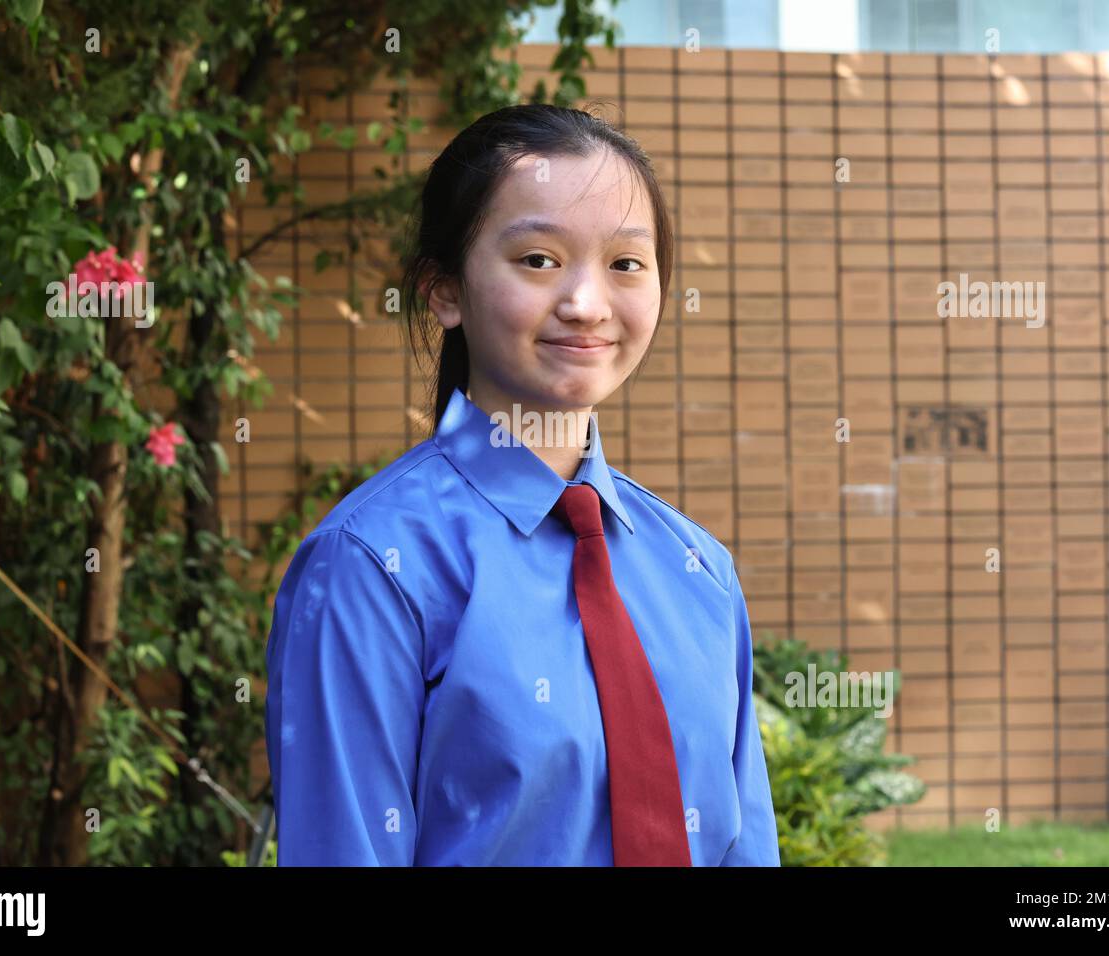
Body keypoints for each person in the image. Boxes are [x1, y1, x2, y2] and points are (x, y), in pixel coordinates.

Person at [264, 103, 780, 866]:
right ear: (444, 291)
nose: (586, 303)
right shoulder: (369, 566)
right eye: (538, 260)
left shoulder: (698, 569)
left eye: (626, 264)